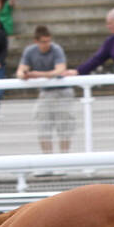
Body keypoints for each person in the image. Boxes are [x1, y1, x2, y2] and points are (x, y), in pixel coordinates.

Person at [16, 25, 73, 154]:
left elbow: (60, 69)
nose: (47, 44)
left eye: (48, 41)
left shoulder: (56, 49)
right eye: (43, 42)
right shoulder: (30, 51)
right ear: (36, 41)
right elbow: (20, 71)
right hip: (45, 93)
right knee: (43, 127)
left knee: (64, 127)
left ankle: (64, 160)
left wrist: (37, 75)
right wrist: (25, 74)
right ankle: (47, 160)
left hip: (62, 92)